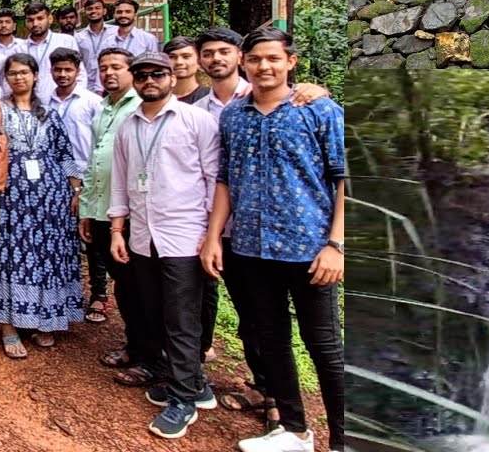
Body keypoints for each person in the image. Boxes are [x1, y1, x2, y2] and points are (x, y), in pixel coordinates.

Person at [201, 27, 344, 452]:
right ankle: (294, 430)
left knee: (324, 346)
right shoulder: (233, 116)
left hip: (309, 249)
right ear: (244, 63)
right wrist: (213, 238)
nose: (264, 66)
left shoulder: (319, 110)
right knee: (272, 339)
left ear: (290, 62)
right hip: (251, 248)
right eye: (256, 59)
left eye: (273, 58)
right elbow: (225, 180)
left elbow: (344, 179)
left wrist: (336, 245)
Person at [107, 51, 221, 439]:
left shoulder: (196, 120)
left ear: (172, 77)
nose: (149, 81)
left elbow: (214, 180)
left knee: (182, 319)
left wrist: (212, 236)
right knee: (153, 312)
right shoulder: (128, 125)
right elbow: (120, 181)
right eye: (141, 75)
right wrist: (117, 229)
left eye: (157, 74)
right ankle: (191, 384)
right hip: (143, 236)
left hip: (185, 237)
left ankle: (183, 399)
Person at [0, 53, 84, 358]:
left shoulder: (50, 115)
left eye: (24, 72)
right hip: (5, 199)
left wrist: (75, 191)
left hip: (49, 201)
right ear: (6, 78)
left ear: (35, 76)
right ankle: (8, 326)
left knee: (45, 256)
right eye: (13, 73)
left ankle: (46, 319)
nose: (18, 77)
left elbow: (64, 154)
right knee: (9, 256)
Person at [78, 48, 141, 346]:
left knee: (135, 280)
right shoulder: (103, 107)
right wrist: (86, 209)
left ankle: (146, 348)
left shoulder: (140, 106)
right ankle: (136, 344)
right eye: (103, 68)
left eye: (116, 67)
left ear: (131, 71)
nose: (109, 73)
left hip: (130, 212)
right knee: (122, 278)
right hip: (101, 206)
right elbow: (95, 160)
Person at [48, 48, 101, 209]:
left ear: (78, 71)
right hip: (53, 175)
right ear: (51, 70)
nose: (62, 74)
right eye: (58, 69)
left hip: (85, 174)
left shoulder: (93, 102)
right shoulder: (44, 103)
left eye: (68, 70)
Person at [22, 1, 85, 102]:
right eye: (30, 20)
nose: (35, 24)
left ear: (50, 19)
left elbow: (80, 73)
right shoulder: (20, 47)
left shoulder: (66, 41)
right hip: (29, 103)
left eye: (40, 18)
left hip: (60, 101)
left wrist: (75, 100)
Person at [76, 0, 115, 94]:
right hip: (88, 86)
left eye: (97, 8)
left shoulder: (115, 32)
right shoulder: (79, 37)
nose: (93, 11)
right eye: (90, 9)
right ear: (85, 12)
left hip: (111, 83)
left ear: (104, 11)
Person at [164, 37, 209, 104]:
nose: (179, 62)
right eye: (172, 57)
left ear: (199, 62)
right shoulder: (156, 98)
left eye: (186, 57)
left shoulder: (209, 98)